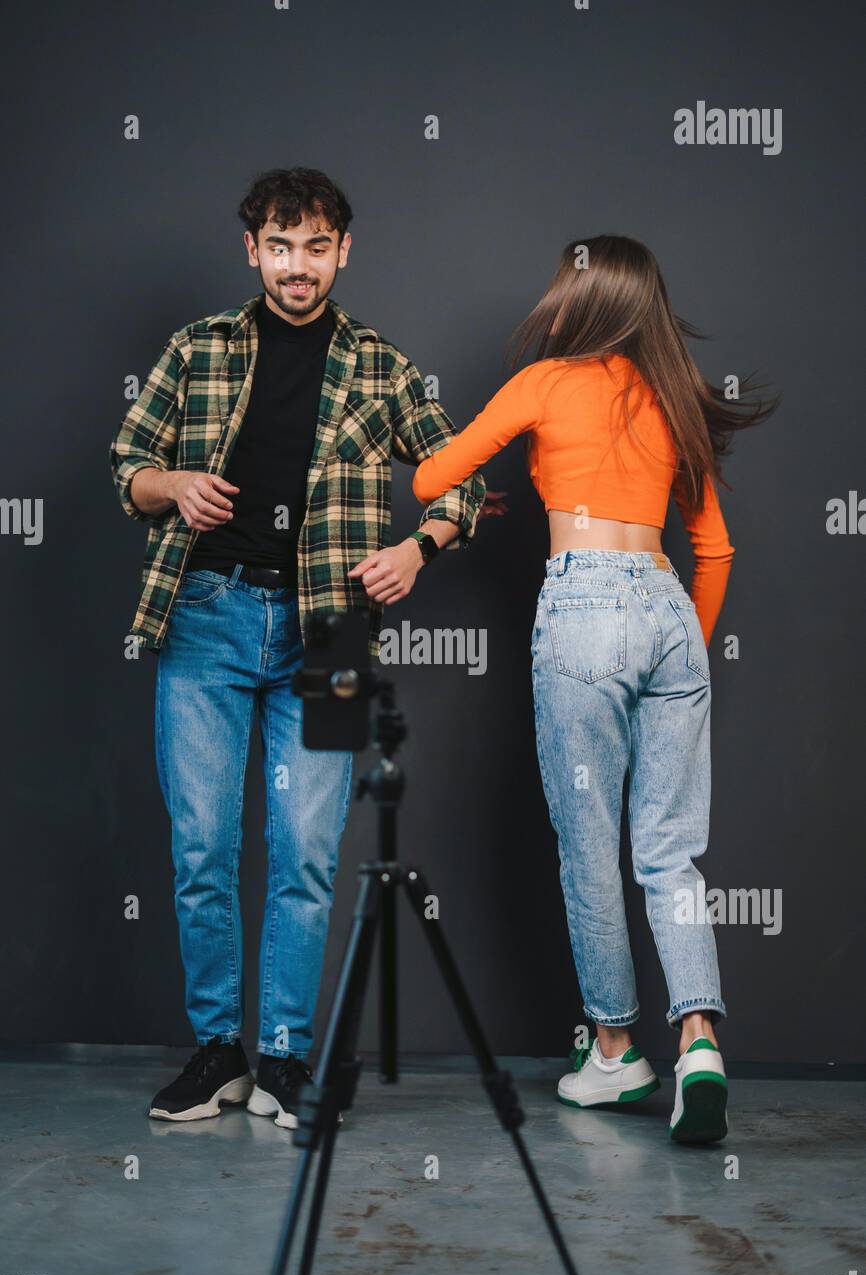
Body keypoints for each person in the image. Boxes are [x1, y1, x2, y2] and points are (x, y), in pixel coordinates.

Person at [109, 167, 485, 1126]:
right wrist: (174, 487)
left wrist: (418, 544)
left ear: (342, 251)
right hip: (205, 613)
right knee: (202, 848)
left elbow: (463, 480)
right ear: (252, 250)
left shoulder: (384, 367)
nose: (297, 267)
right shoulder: (197, 349)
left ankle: (283, 1061)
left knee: (307, 854)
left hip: (332, 629)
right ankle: (218, 1054)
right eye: (280, 247)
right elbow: (128, 466)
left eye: (315, 247)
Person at [413, 234, 776, 1144]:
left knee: (590, 849)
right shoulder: (679, 401)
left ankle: (613, 1053)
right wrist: (680, 650)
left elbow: (428, 477)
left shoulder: (545, 383)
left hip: (583, 609)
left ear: (579, 298)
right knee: (669, 855)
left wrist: (504, 494)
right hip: (667, 613)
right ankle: (698, 1042)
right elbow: (717, 551)